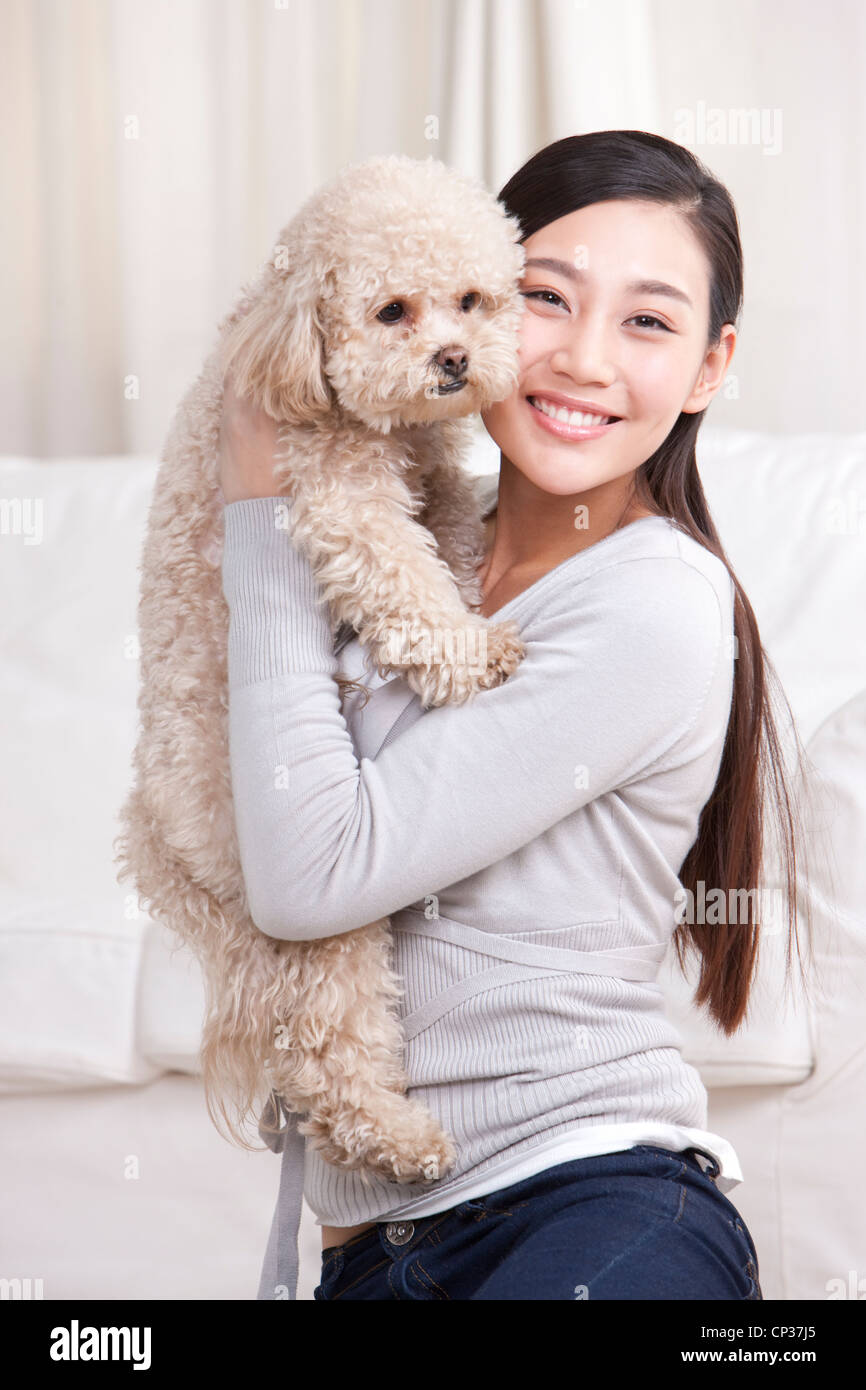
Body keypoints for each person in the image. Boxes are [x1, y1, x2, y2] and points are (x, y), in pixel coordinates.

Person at [217, 130, 810, 1300]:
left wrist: (268, 518)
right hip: (367, 1255)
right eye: (543, 297)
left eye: (646, 320)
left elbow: (310, 877)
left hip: (588, 1209)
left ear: (706, 366)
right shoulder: (416, 543)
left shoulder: (654, 599)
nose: (581, 358)